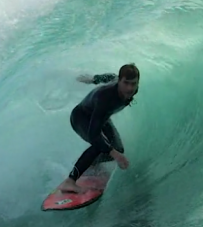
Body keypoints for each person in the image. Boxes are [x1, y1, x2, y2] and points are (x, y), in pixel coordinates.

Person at [55, 63, 140, 194]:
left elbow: (111, 76)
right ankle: (70, 181)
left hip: (101, 118)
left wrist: (94, 79)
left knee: (118, 149)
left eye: (133, 84)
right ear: (120, 81)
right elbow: (94, 135)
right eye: (126, 83)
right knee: (100, 145)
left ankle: (90, 163)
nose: (130, 88)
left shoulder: (129, 88)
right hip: (81, 118)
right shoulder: (105, 97)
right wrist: (115, 155)